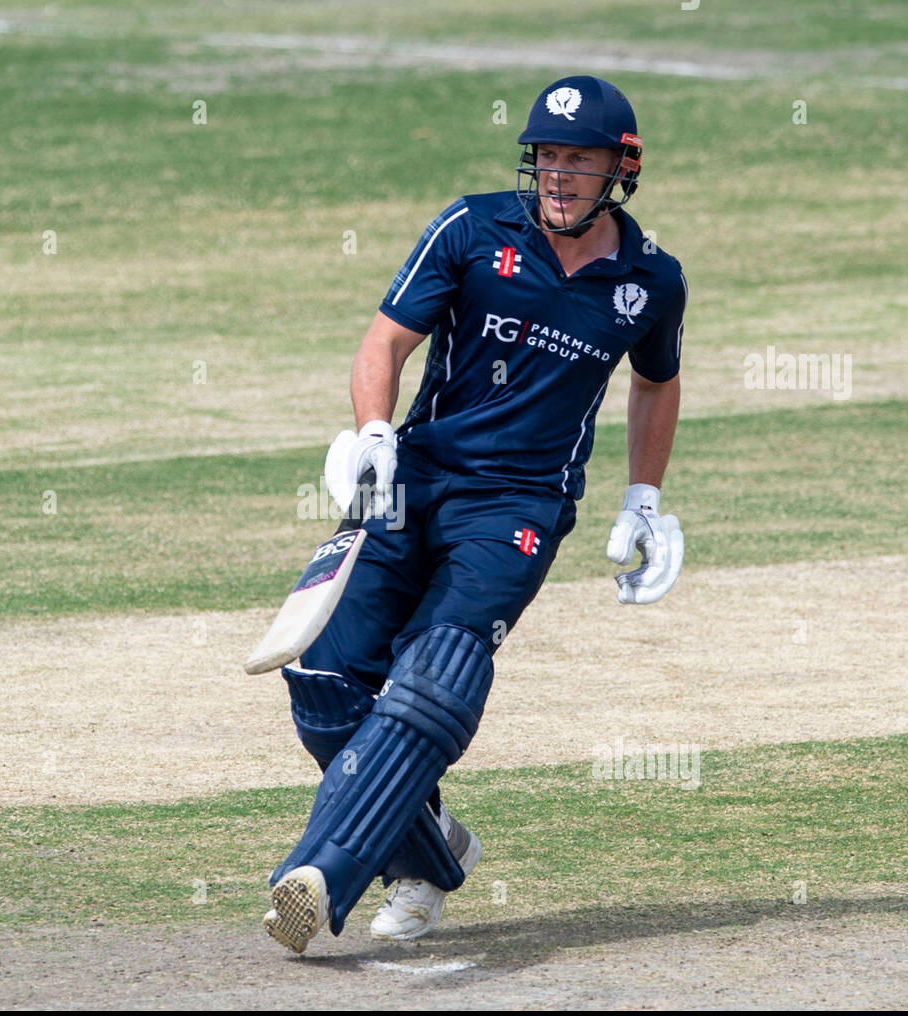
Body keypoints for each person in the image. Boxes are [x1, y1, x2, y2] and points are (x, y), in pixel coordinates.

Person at [263, 75, 686, 953]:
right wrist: (374, 430)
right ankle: (429, 851)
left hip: (520, 506)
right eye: (548, 158)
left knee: (435, 674)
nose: (559, 176)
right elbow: (385, 340)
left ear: (620, 170)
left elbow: (656, 379)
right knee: (322, 678)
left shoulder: (649, 280)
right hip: (413, 474)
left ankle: (317, 877)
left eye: (580, 160)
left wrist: (645, 496)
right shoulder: (470, 227)